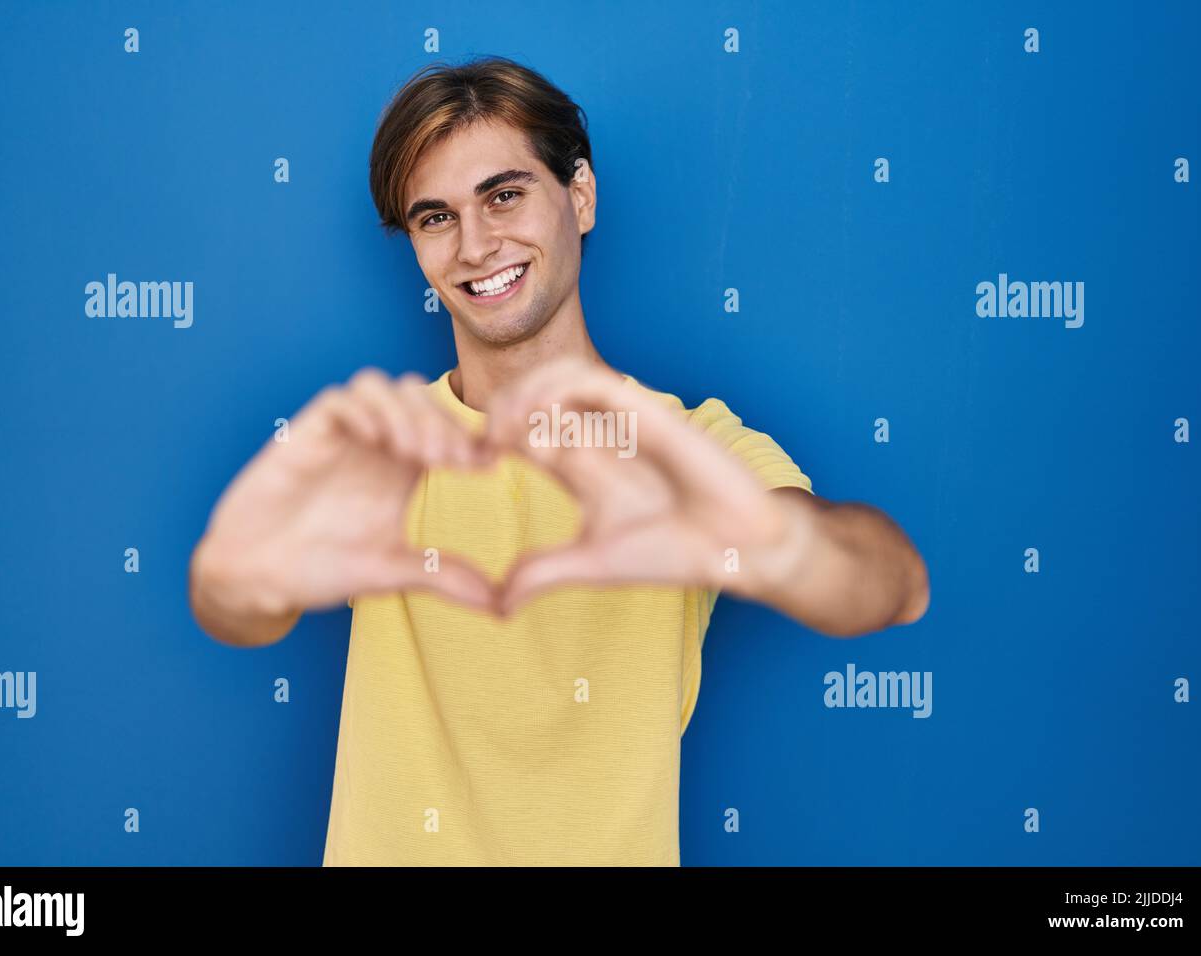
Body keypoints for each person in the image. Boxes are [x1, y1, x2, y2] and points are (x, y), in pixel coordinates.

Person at [187, 55, 930, 866]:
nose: (476, 246)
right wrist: (234, 568)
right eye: (435, 218)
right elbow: (238, 611)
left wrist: (776, 541)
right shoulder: (378, 449)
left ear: (580, 195)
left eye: (504, 195)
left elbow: (888, 587)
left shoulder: (687, 446)